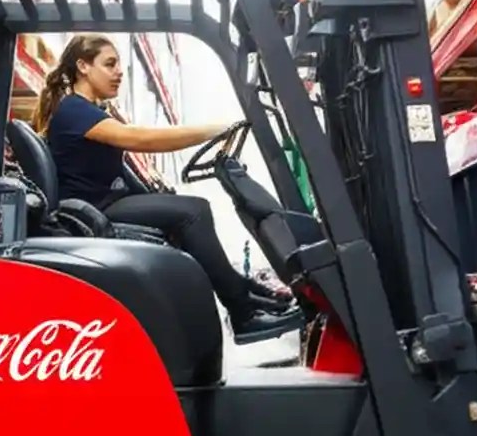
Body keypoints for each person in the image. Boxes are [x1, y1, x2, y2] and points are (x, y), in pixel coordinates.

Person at [32, 34, 302, 344]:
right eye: (109, 64)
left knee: (182, 209)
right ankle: (243, 313)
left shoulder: (89, 111)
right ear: (82, 66)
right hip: (91, 211)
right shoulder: (74, 111)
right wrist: (216, 128)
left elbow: (120, 171)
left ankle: (246, 292)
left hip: (103, 202)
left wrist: (160, 196)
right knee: (194, 212)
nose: (119, 71)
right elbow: (142, 139)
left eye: (119, 63)